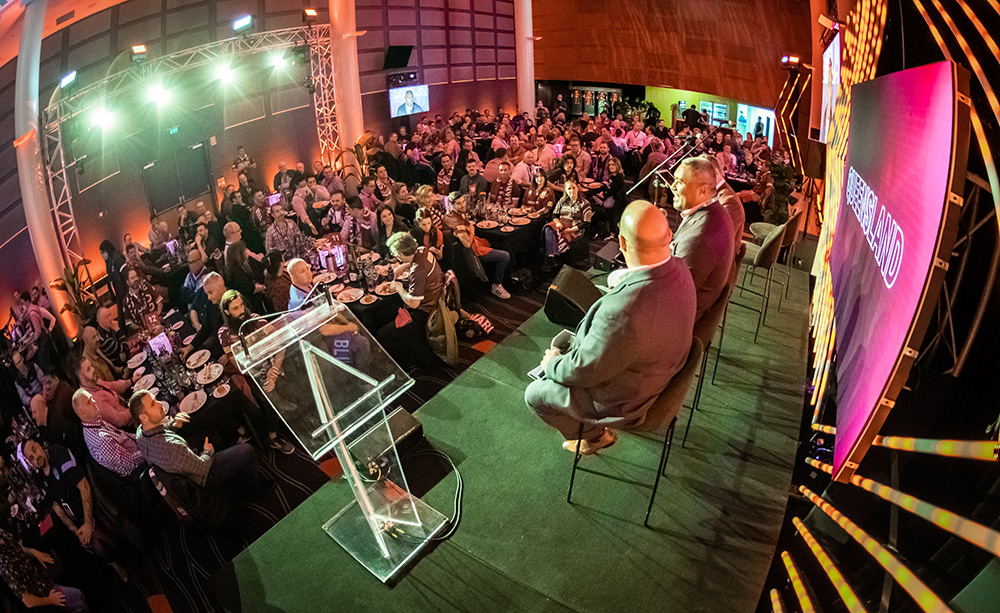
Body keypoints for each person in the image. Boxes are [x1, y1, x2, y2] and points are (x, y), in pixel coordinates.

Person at [525, 200, 697, 454]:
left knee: (535, 394)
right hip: (657, 373)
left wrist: (552, 363)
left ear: (623, 243)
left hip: (624, 399)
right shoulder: (681, 269)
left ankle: (595, 437)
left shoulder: (623, 312)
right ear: (669, 236)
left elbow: (582, 370)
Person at [19, 438, 127, 578]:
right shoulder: (39, 476)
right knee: (75, 554)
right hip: (75, 518)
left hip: (91, 507)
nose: (36, 457)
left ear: (39, 445)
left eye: (34, 449)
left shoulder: (59, 454)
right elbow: (56, 507)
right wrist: (75, 531)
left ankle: (116, 562)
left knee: (98, 544)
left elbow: (84, 487)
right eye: (31, 458)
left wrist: (87, 523)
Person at [131, 390, 263, 496]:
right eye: (153, 404)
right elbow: (202, 468)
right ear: (143, 417)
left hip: (183, 464)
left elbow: (160, 430)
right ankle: (255, 490)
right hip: (201, 480)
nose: (160, 404)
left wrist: (174, 424)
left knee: (206, 425)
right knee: (247, 450)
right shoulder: (170, 448)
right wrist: (208, 451)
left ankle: (232, 461)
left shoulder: (140, 432)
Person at [670, 157, 736, 320]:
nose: (672, 187)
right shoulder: (714, 212)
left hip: (679, 320)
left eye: (679, 181)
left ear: (702, 190)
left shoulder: (701, 236)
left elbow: (673, 293)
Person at [375, 233, 444, 370]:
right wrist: (405, 266)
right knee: (387, 313)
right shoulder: (422, 250)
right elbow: (420, 264)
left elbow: (414, 303)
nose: (396, 257)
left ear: (400, 253)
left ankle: (409, 363)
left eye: (396, 254)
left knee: (382, 334)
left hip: (425, 312)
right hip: (436, 299)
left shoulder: (418, 270)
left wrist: (398, 287)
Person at [0, 526, 90, 612]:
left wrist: (34, 552)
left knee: (55, 556)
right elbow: (28, 601)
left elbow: (15, 547)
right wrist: (50, 600)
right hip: (39, 591)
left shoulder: (1, 534)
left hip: (36, 572)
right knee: (77, 598)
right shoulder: (4, 566)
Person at [72, 389, 145, 478]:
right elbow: (131, 463)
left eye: (91, 398)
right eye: (89, 402)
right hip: (139, 469)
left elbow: (123, 434)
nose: (94, 402)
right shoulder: (101, 441)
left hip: (140, 449)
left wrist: (143, 436)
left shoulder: (96, 421)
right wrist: (149, 447)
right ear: (82, 414)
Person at [75, 357, 132, 429]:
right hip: (130, 423)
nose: (93, 369)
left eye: (91, 366)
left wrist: (131, 381)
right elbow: (120, 421)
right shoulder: (93, 400)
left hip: (127, 405)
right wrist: (133, 409)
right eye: (88, 369)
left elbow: (112, 386)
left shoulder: (92, 381)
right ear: (82, 377)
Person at [544, 181, 590, 267]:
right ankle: (552, 256)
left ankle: (551, 258)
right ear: (565, 190)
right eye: (569, 188)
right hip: (561, 225)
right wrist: (557, 222)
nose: (572, 191)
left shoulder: (585, 203)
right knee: (548, 228)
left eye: (573, 188)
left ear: (577, 189)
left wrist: (572, 229)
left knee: (554, 234)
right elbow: (554, 214)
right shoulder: (562, 201)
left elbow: (586, 223)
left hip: (574, 228)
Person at [95, 307, 127, 373]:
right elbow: (125, 346)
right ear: (100, 322)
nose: (110, 318)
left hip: (123, 359)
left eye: (110, 315)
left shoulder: (108, 328)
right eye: (106, 317)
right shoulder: (104, 339)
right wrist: (118, 330)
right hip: (121, 368)